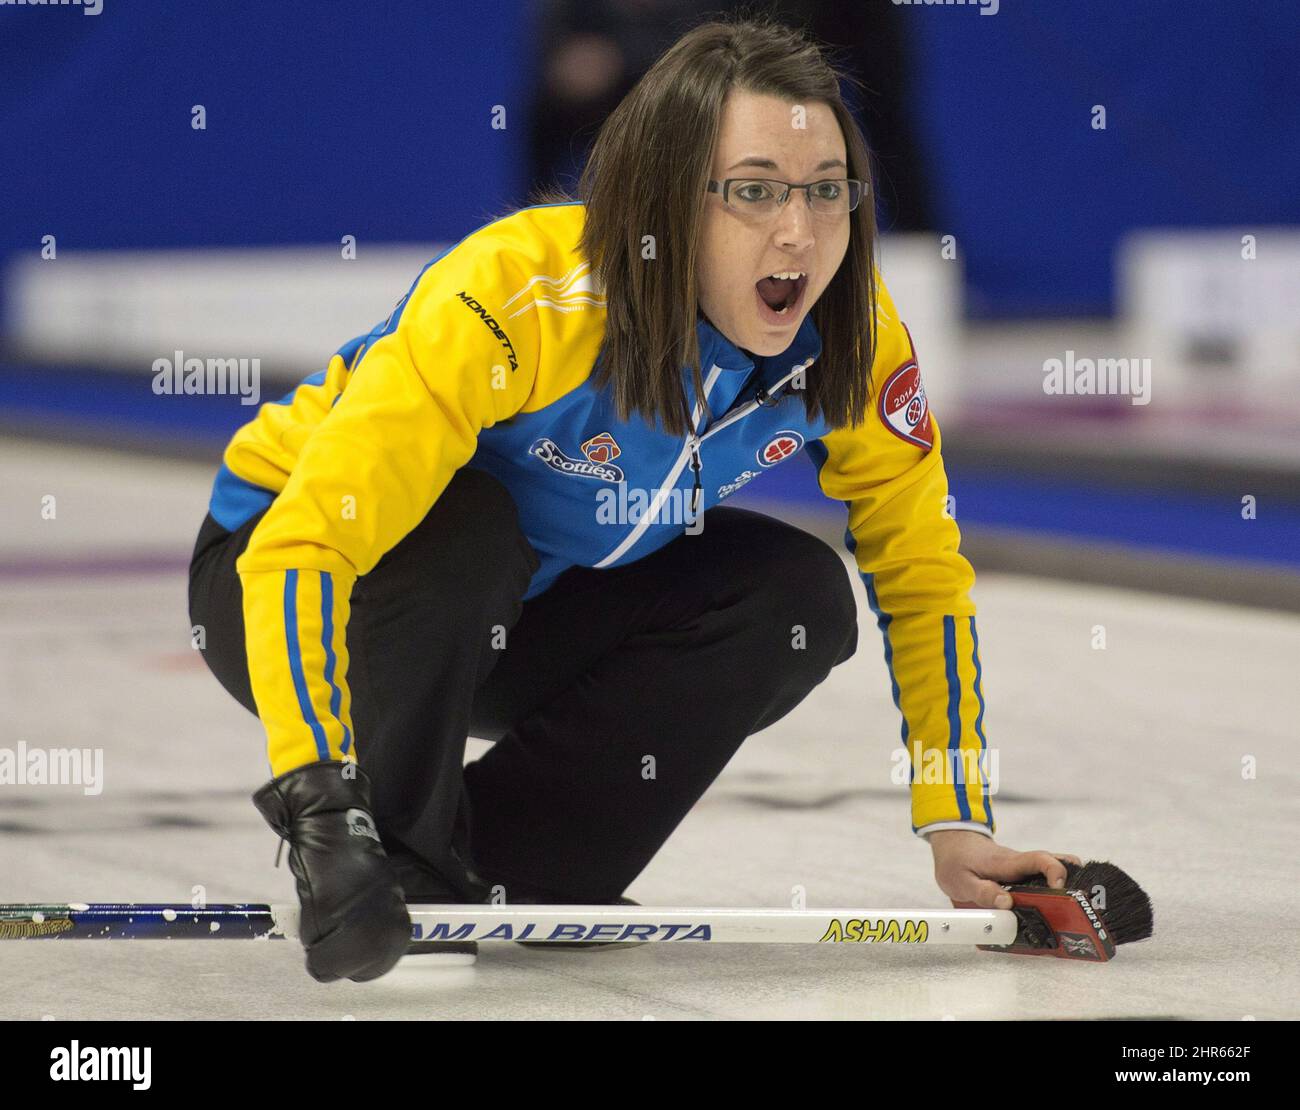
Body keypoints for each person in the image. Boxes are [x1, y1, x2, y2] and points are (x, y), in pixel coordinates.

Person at [188, 15, 1077, 984]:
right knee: (472, 524)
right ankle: (388, 843)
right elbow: (303, 546)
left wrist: (956, 823)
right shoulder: (517, 296)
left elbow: (921, 576)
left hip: (526, 603)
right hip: (278, 575)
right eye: (753, 192)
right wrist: (322, 806)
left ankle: (493, 874)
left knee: (792, 600)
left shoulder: (853, 335)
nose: (800, 232)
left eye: (828, 192)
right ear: (664, 200)